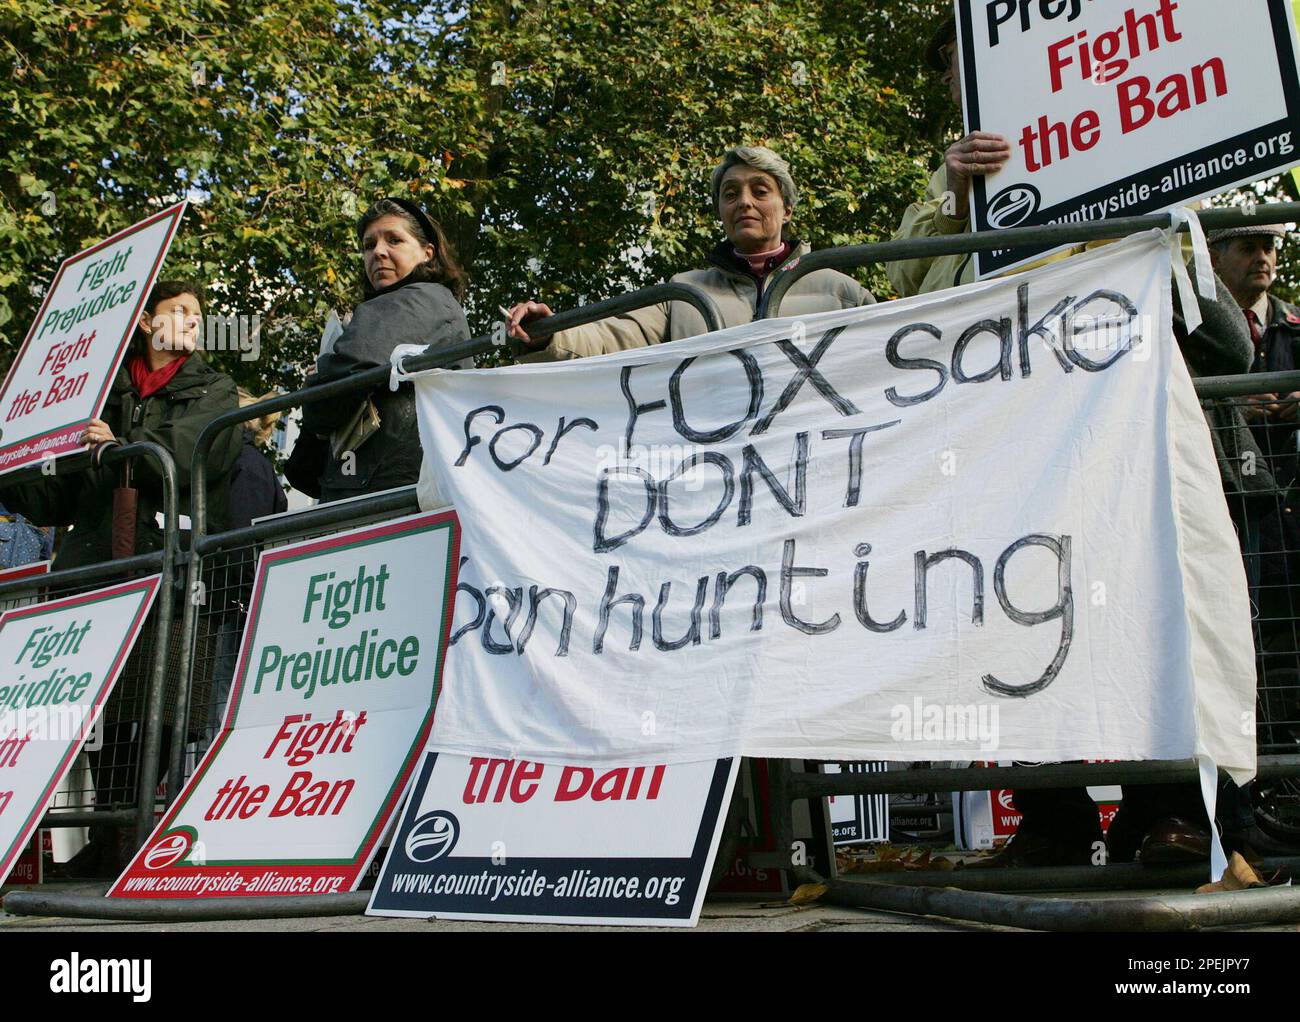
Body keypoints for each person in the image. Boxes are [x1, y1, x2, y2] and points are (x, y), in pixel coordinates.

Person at [1, 279, 242, 876]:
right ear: (143, 322)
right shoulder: (98, 394)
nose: (191, 321)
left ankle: (129, 836)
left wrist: (125, 445)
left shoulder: (213, 386)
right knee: (99, 714)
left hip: (171, 570)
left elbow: (198, 453)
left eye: (197, 314)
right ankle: (107, 835)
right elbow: (62, 496)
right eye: (178, 311)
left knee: (161, 706)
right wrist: (15, 464)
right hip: (96, 570)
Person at [505, 146, 874, 358]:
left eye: (760, 191)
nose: (744, 202)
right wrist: (548, 334)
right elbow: (608, 339)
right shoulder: (683, 294)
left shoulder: (841, 292)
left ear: (787, 209)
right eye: (730, 194)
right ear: (720, 211)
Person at [295, 198, 470, 503]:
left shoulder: (418, 299)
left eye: (394, 239)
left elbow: (327, 399)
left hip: (388, 496)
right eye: (368, 244)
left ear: (427, 253)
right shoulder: (428, 303)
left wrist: (322, 376)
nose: (378, 251)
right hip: (386, 490)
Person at [886, 15, 1012, 298]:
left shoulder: (1064, 143)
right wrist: (955, 200)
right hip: (952, 335)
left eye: (950, 55)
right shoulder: (949, 170)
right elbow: (901, 273)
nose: (945, 76)